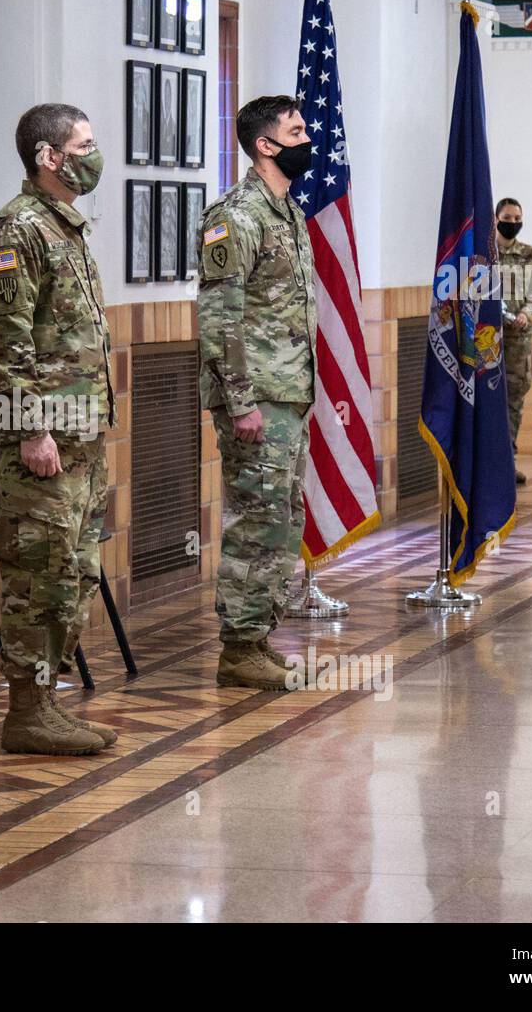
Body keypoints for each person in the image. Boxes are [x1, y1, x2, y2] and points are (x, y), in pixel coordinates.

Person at [0, 103, 117, 755]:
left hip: (81, 436)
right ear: (48, 157)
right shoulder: (15, 230)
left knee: (75, 571)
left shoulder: (67, 228)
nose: (94, 153)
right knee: (38, 571)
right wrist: (31, 430)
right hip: (42, 439)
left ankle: (48, 700)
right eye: (83, 144)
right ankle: (26, 709)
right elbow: (5, 341)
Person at [196, 94, 318, 691]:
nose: (306, 138)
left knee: (282, 518)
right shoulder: (236, 216)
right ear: (264, 145)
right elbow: (222, 317)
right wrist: (239, 400)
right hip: (258, 396)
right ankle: (238, 646)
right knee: (255, 518)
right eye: (295, 131)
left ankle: (258, 636)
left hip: (289, 391)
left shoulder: (287, 213)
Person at [495, 197, 532, 485]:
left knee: (513, 400)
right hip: (487, 340)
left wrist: (526, 312)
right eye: (507, 217)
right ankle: (486, 461)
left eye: (516, 219)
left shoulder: (529, 254)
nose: (512, 223)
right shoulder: (484, 252)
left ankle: (508, 463)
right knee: (487, 399)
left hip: (517, 340)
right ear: (496, 218)